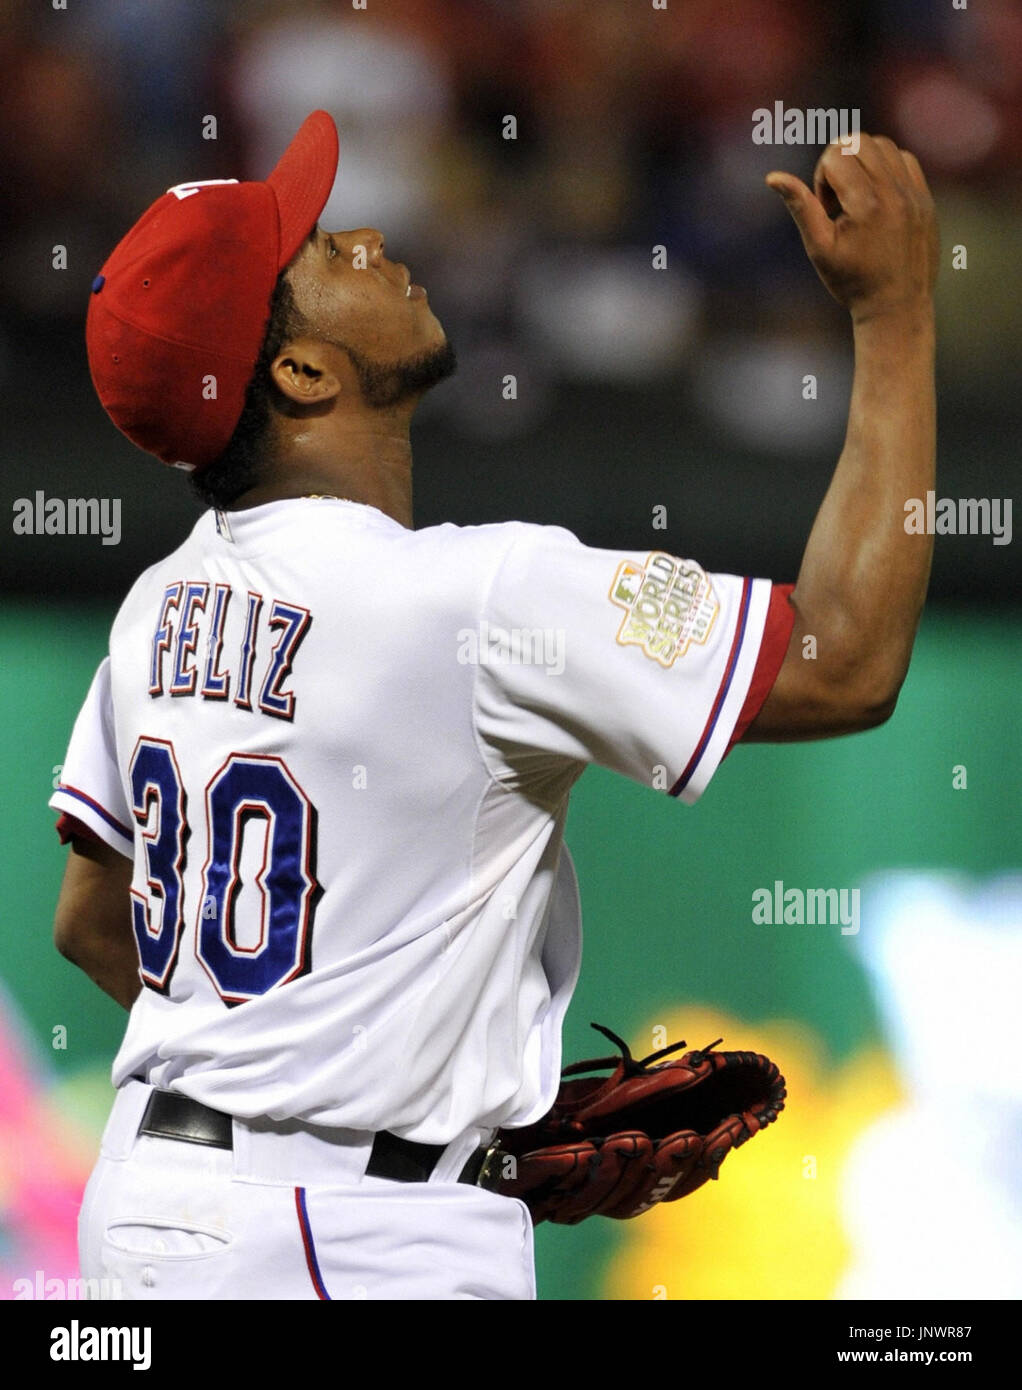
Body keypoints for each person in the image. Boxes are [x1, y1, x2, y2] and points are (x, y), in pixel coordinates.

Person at [49, 111, 938, 1300]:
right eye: (317, 251)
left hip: (148, 1205)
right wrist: (892, 315)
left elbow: (91, 918)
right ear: (301, 372)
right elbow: (846, 662)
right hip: (346, 1237)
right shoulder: (477, 592)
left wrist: (331, 1068)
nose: (363, 234)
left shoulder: (157, 603)